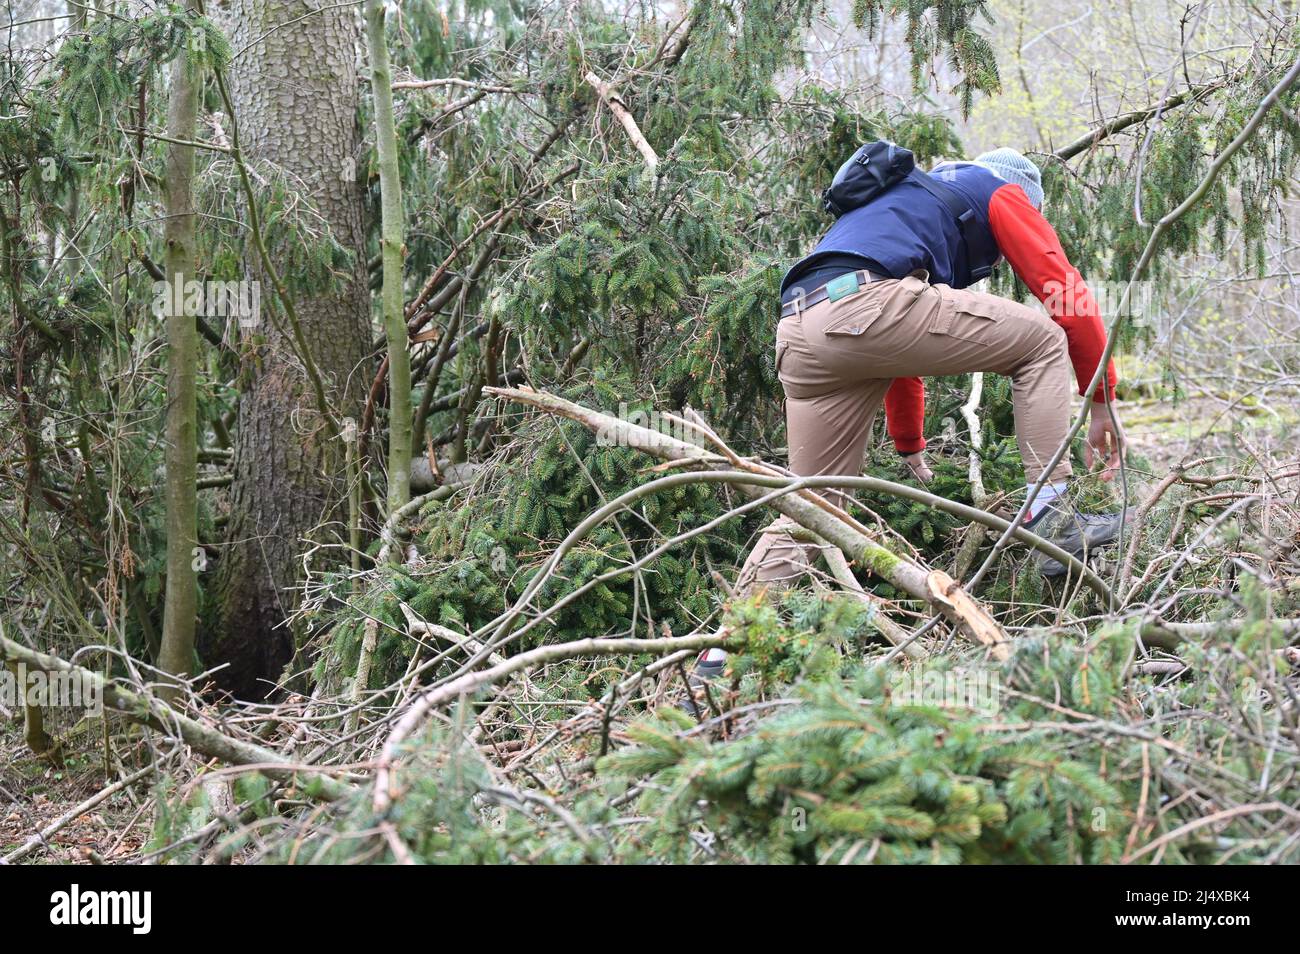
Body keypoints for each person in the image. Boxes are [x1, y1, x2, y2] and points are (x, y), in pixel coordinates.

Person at [688, 148, 1131, 697]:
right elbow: (1061, 286)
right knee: (1041, 340)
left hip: (801, 330)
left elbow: (895, 340)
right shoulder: (997, 187)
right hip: (861, 308)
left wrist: (909, 441)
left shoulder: (907, 203)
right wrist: (1102, 396)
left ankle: (722, 652)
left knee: (812, 509)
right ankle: (1053, 513)